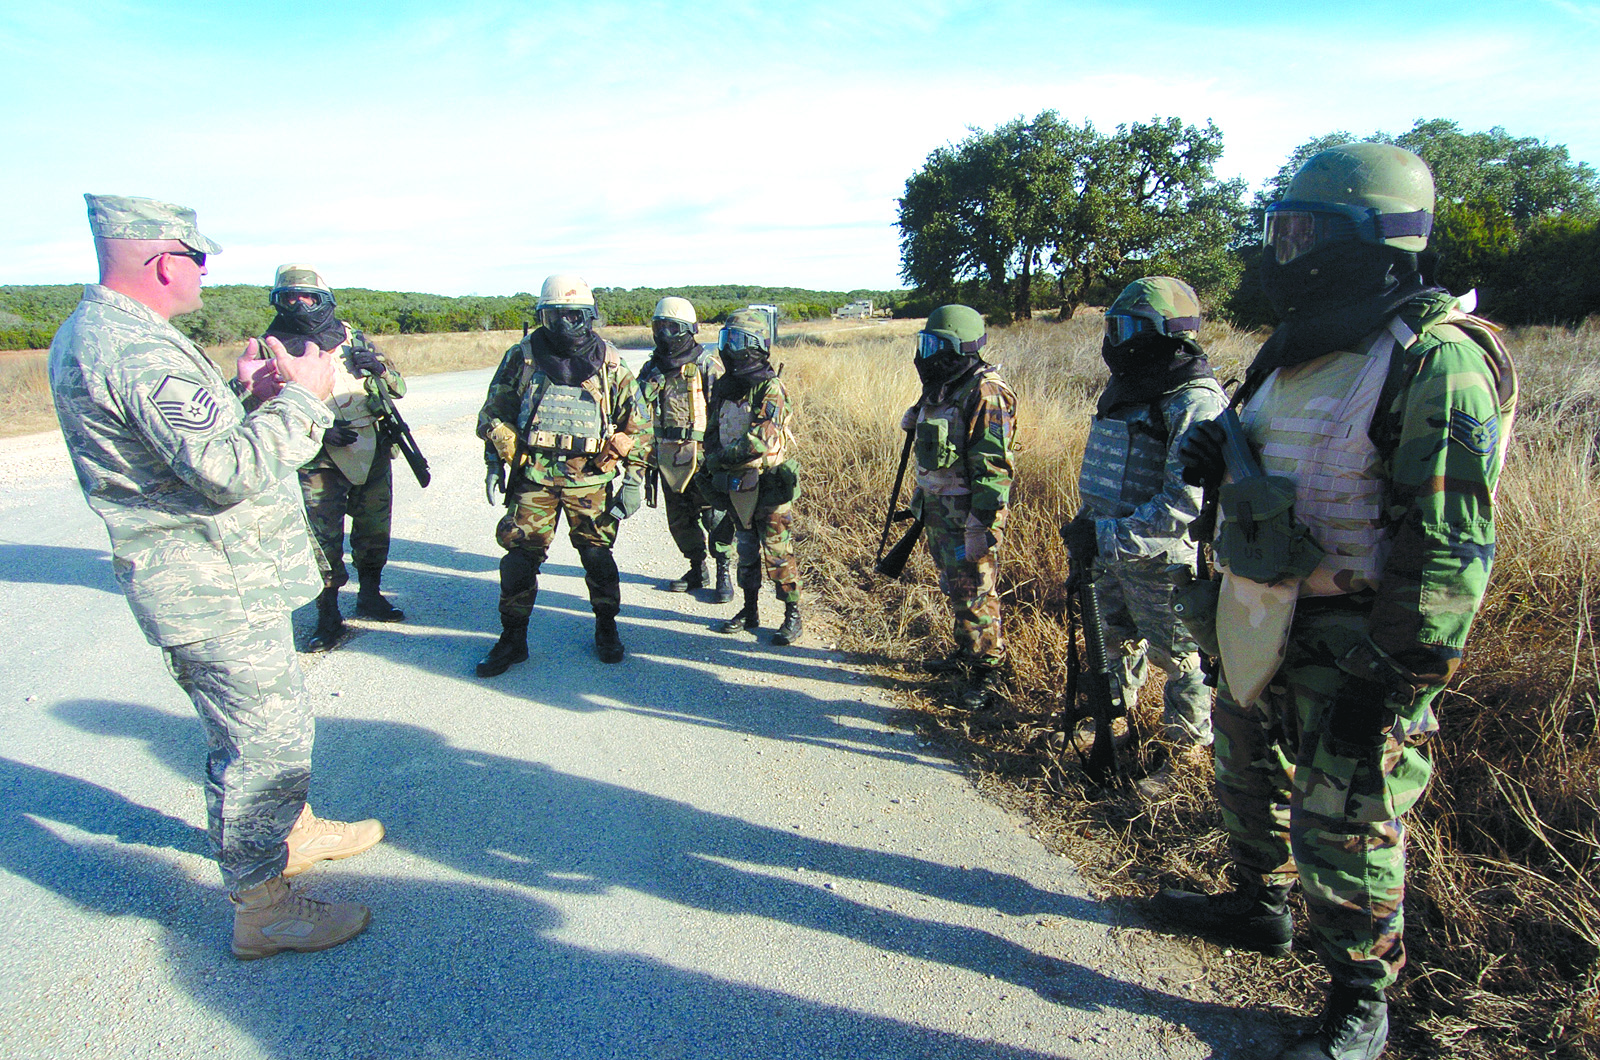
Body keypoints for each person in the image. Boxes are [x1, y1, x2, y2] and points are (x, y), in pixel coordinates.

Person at [1159, 144, 1517, 1060]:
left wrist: (1393, 680)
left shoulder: (1434, 361)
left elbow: (1447, 551)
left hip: (1358, 637)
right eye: (1283, 229)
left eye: (1306, 232)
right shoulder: (1300, 346)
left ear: (1377, 240)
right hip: (1261, 612)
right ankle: (1255, 905)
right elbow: (1277, 458)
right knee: (1244, 771)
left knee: (1347, 820)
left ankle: (1361, 1001)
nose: (1287, 251)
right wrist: (1217, 461)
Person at [49, 194, 384, 959]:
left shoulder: (112, 335)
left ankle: (290, 831)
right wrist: (304, 395)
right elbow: (226, 470)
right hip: (207, 582)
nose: (205, 271)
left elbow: (182, 445)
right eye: (199, 258)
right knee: (262, 740)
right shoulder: (131, 348)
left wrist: (247, 397)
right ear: (166, 260)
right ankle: (264, 907)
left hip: (223, 573)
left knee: (267, 723)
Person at [1061, 277, 1224, 794]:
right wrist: (1094, 532)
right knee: (1112, 644)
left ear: (1167, 334)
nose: (1117, 339)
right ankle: (1111, 726)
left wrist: (1105, 535)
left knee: (1182, 659)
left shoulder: (1193, 400)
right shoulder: (1131, 388)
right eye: (1113, 326)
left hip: (1164, 561)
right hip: (1110, 552)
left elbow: (1183, 506)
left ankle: (1183, 758)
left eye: (1129, 328)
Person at [476, 274, 648, 673]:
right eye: (558, 317)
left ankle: (607, 626)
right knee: (519, 559)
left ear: (591, 317)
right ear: (543, 317)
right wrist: (493, 459)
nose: (569, 326)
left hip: (590, 480)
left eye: (577, 317)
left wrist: (634, 478)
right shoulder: (523, 357)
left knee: (596, 556)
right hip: (533, 478)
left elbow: (638, 426)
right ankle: (512, 639)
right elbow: (494, 412)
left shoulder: (611, 363)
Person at [254, 264, 408, 652]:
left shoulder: (352, 337)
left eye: (308, 296)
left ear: (324, 299)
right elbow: (250, 409)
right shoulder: (267, 347)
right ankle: (328, 615)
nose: (299, 303)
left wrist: (381, 370)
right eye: (289, 297)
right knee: (322, 541)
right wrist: (319, 433)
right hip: (315, 460)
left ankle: (370, 596)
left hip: (370, 447)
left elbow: (399, 387)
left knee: (374, 530)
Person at [901, 304, 1017, 709]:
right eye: (925, 343)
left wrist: (980, 525)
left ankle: (988, 671)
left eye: (936, 344)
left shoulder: (986, 392)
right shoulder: (945, 384)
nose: (926, 353)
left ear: (959, 347)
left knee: (976, 592)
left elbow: (993, 468)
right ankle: (965, 654)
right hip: (938, 509)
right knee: (955, 587)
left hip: (969, 514)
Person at [702, 308, 803, 645]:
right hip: (736, 485)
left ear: (756, 345)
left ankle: (792, 615)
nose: (729, 348)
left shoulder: (770, 387)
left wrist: (718, 459)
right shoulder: (724, 387)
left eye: (737, 341)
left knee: (777, 553)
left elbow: (760, 441)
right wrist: (712, 461)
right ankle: (750, 610)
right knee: (745, 551)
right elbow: (712, 431)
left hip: (768, 483)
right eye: (726, 339)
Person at [634, 296, 735, 601]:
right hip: (666, 456)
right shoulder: (652, 368)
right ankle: (696, 568)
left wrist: (722, 457)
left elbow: (725, 413)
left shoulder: (706, 365)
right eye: (659, 326)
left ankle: (723, 571)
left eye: (671, 327)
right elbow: (637, 411)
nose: (664, 334)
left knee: (714, 516)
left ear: (688, 330)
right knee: (679, 520)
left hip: (703, 456)